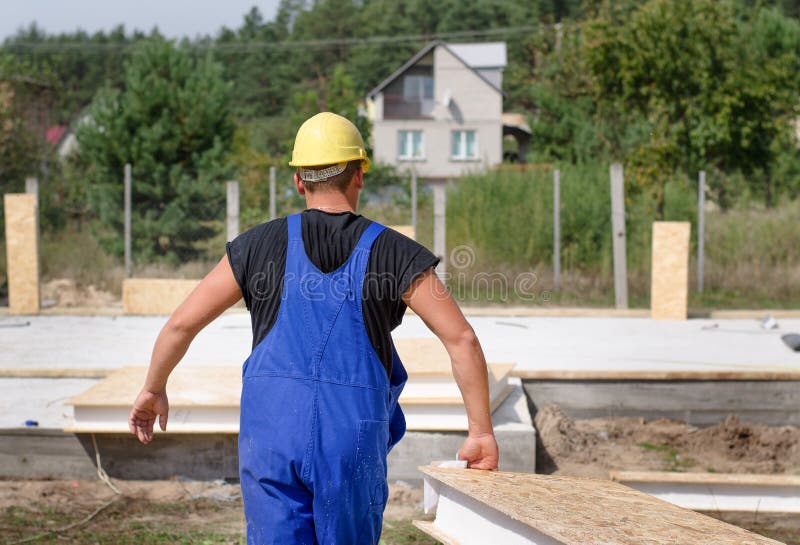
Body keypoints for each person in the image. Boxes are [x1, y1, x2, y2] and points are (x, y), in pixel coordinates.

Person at [128, 112, 499, 544]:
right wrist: (480, 433)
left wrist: (154, 387)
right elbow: (462, 339)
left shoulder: (256, 245)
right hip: (351, 443)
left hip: (270, 438)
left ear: (299, 181)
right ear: (360, 174)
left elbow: (181, 324)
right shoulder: (396, 254)